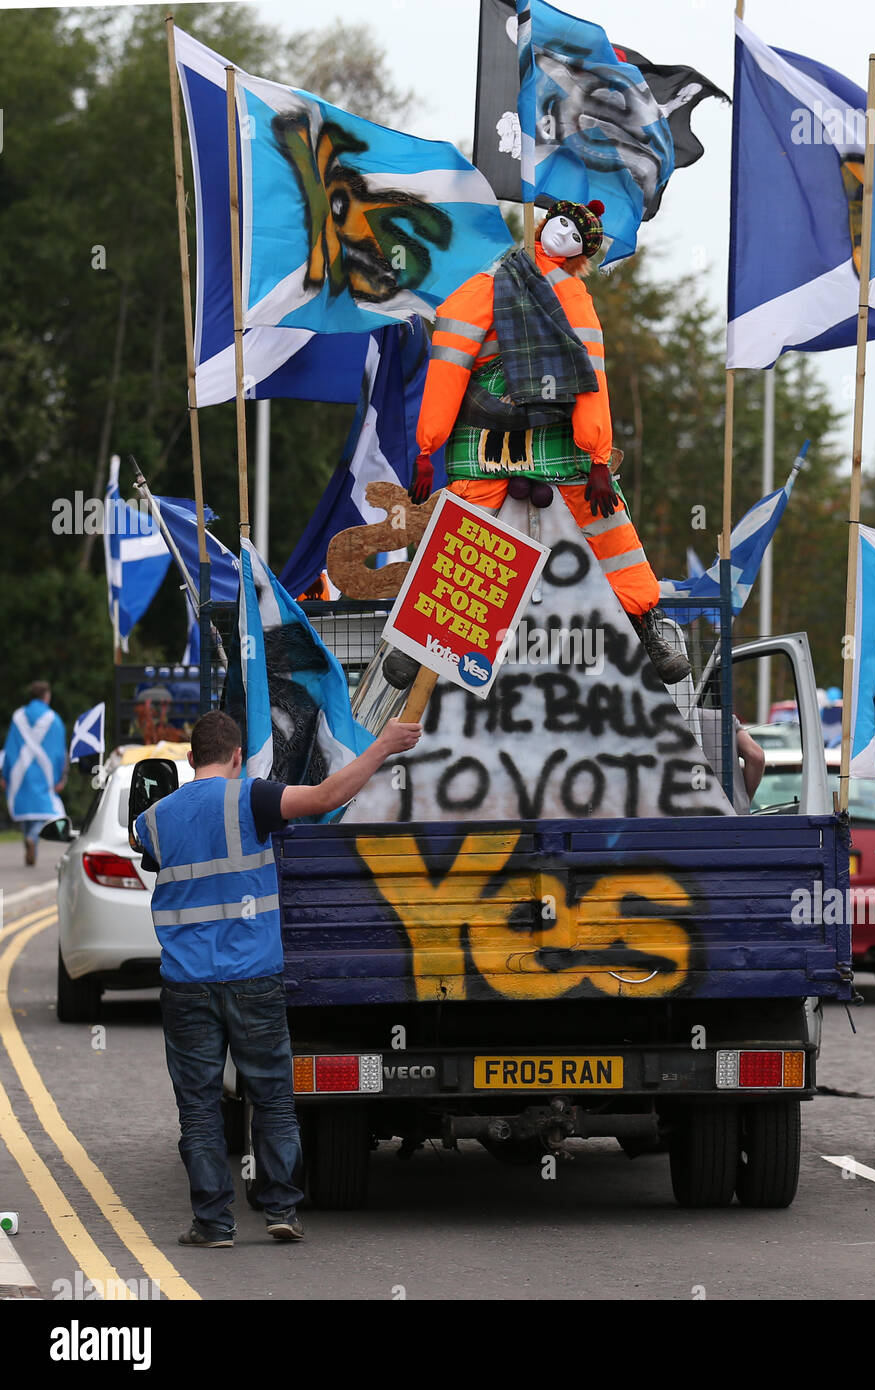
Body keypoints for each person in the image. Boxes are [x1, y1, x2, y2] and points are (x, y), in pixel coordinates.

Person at [133, 708, 422, 1248]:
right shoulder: (254, 798)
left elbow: (145, 848)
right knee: (271, 1097)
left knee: (198, 1108)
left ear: (190, 758)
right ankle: (282, 1209)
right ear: (238, 756)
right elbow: (326, 797)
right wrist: (382, 746)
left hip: (187, 985)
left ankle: (213, 1223)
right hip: (253, 979)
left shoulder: (154, 818)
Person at [411, 199, 690, 686]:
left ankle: (645, 626)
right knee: (468, 529)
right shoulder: (488, 287)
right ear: (544, 223)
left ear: (583, 252)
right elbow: (451, 358)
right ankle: (420, 649)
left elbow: (590, 378)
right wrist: (426, 444)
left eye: (578, 235)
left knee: (607, 522)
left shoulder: (571, 296)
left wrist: (598, 456)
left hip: (553, 431)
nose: (565, 235)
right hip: (488, 428)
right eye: (562, 222)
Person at [1, 680, 67, 866]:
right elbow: (60, 753)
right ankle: (32, 838)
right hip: (45, 776)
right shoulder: (54, 719)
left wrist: (5, 775)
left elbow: (10, 749)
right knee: (45, 812)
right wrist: (62, 777)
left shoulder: (17, 717)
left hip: (20, 775)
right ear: (47, 696)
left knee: (27, 811)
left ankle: (29, 842)